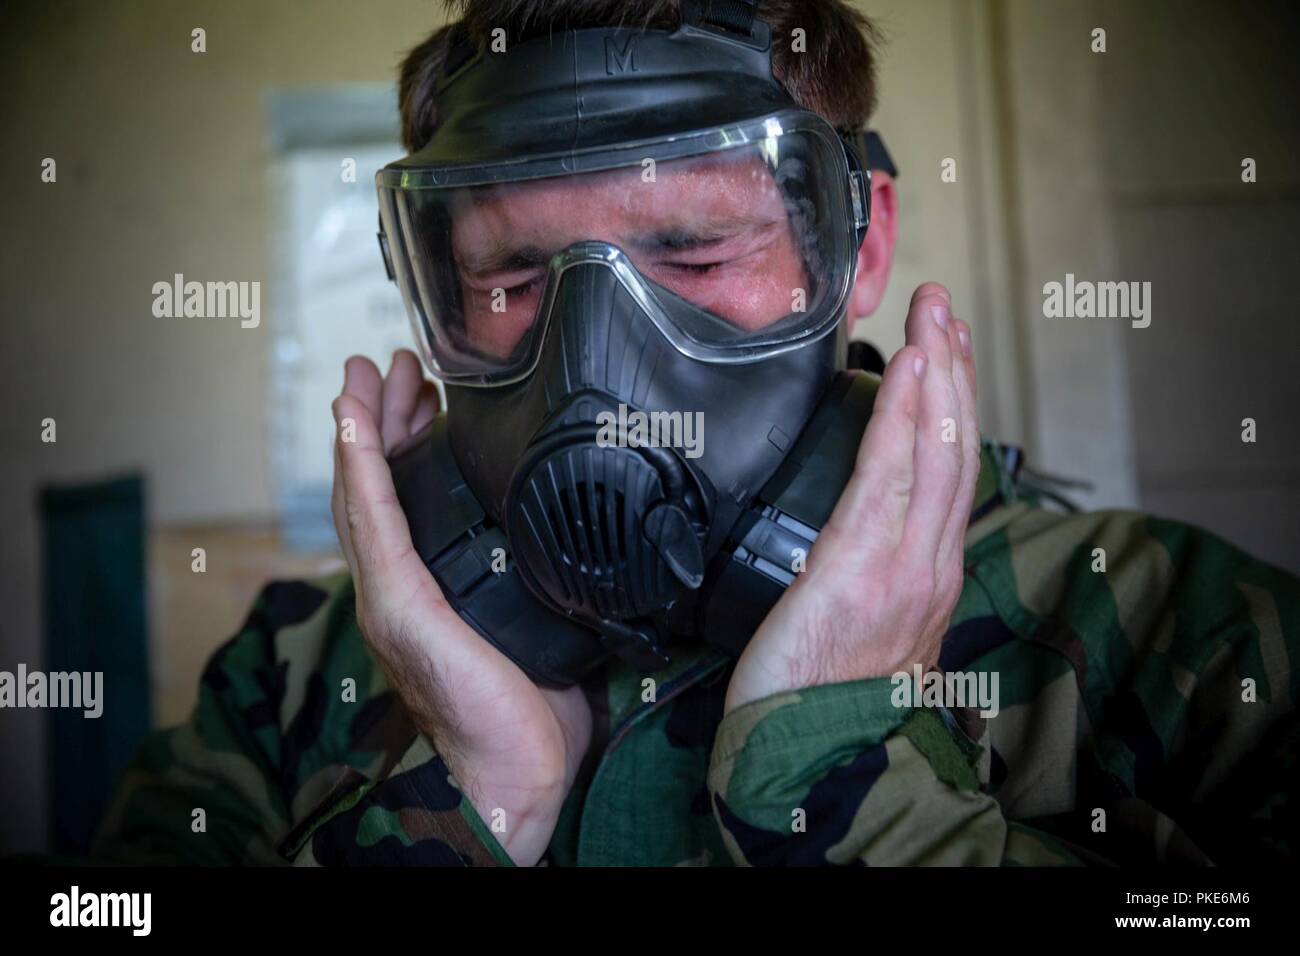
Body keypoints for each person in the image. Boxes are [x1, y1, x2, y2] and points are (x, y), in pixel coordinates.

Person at [93, 0, 1300, 867]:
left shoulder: (1176, 636)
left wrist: (834, 762)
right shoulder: (285, 674)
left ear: (859, 244)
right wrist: (474, 804)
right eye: (512, 272)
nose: (595, 358)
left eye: (695, 251)